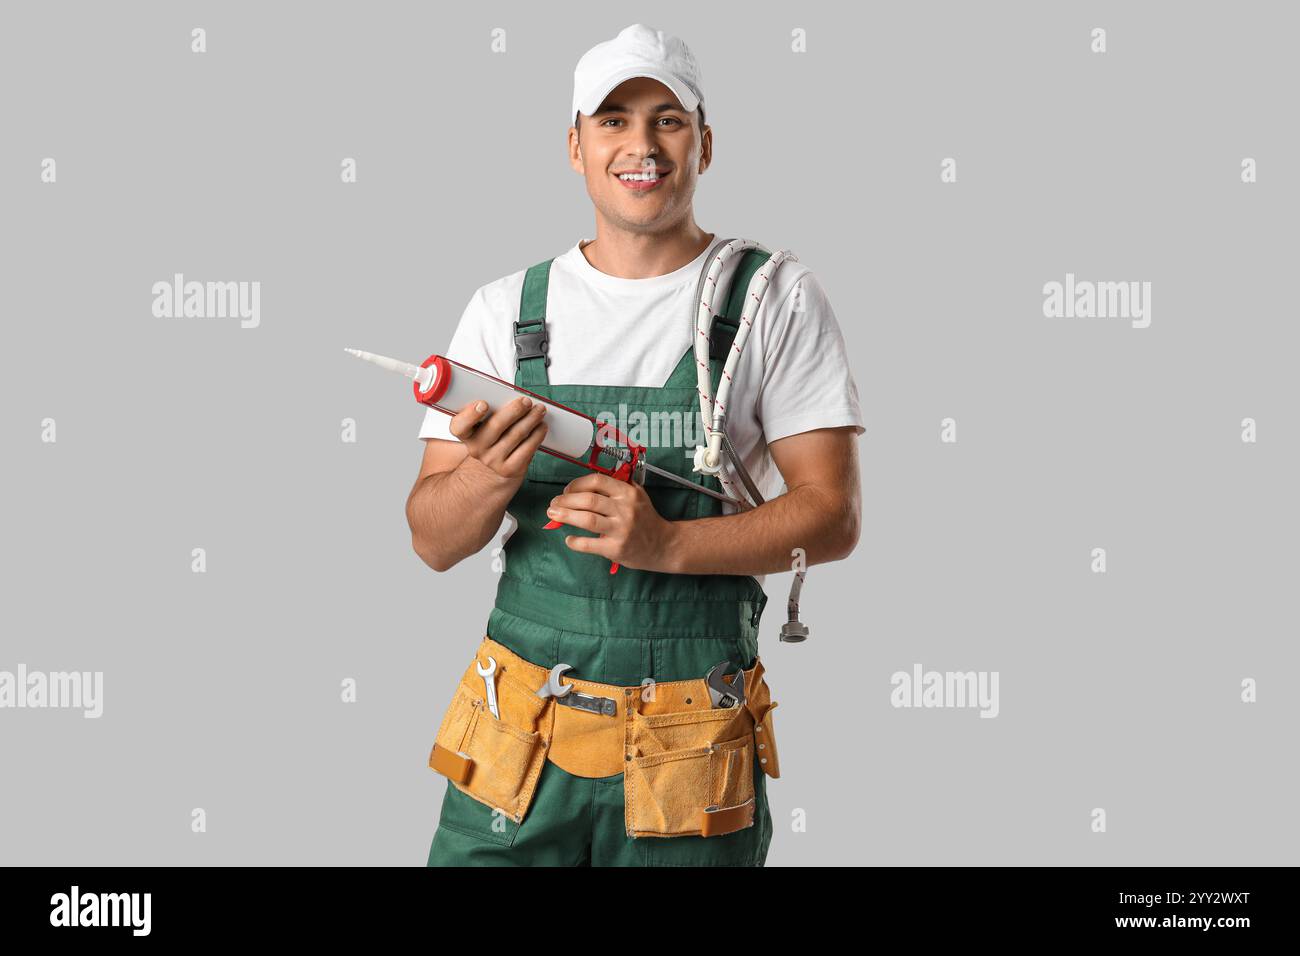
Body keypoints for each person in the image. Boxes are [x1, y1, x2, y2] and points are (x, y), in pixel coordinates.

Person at [409, 24, 864, 866]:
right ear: (574, 145)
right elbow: (432, 540)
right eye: (613, 120)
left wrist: (667, 543)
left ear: (705, 143)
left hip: (688, 752)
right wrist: (486, 476)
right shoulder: (505, 312)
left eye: (668, 119)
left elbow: (831, 516)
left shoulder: (770, 298)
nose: (641, 145)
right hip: (519, 742)